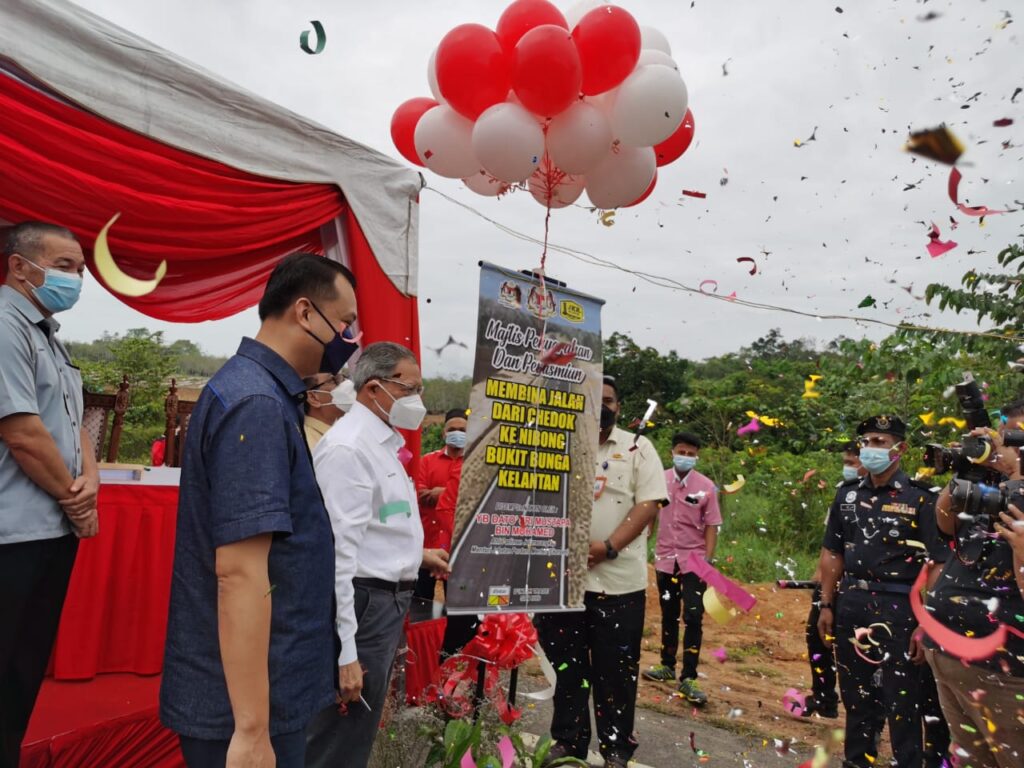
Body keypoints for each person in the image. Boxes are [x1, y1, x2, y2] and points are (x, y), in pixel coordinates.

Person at [160, 252, 358, 768]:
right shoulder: (258, 405)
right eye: (345, 323)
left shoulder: (261, 392)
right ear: (304, 312)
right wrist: (251, 729)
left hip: (261, 690)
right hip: (245, 709)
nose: (349, 340)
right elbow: (241, 574)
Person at [305, 342, 450, 768]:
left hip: (384, 603)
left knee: (355, 734)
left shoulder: (381, 443)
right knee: (338, 735)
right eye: (410, 389)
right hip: (363, 604)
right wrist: (346, 652)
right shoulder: (349, 449)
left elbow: (379, 522)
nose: (418, 401)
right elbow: (338, 556)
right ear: (373, 388)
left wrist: (418, 554)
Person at [0, 222, 99, 768]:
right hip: (12, 534)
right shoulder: (4, 324)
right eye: (64, 267)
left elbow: (72, 421)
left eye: (79, 269)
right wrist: (75, 498)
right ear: (20, 266)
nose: (76, 278)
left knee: (22, 669)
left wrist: (93, 476)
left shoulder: (47, 335)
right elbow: (21, 432)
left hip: (47, 531)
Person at [535, 375, 668, 768]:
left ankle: (615, 749)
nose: (602, 405)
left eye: (608, 399)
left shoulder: (639, 447)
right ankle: (569, 742)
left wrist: (608, 547)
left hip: (618, 585)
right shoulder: (558, 443)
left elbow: (649, 504)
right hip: (562, 582)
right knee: (566, 668)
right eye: (594, 399)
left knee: (616, 674)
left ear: (619, 407)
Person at [817, 415, 950, 768]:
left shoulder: (921, 499)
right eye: (867, 441)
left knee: (902, 702)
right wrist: (826, 603)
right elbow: (833, 552)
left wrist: (926, 622)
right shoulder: (846, 495)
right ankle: (857, 762)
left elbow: (938, 563)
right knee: (857, 697)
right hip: (852, 602)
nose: (871, 448)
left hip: (900, 607)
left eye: (880, 441)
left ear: (900, 448)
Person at [923, 399, 1024, 768]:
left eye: (1019, 441)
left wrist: (1017, 480)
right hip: (950, 653)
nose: (1009, 449)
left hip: (1005, 666)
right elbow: (945, 523)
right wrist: (969, 468)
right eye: (1008, 437)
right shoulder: (990, 485)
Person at [642, 430, 721, 706]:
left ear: (697, 456)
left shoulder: (706, 487)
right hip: (665, 557)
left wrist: (708, 562)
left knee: (693, 615)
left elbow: (712, 525)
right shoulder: (659, 480)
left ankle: (689, 676)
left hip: (694, 561)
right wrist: (644, 540)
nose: (685, 457)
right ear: (672, 452)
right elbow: (650, 512)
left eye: (690, 454)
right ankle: (666, 665)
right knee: (669, 614)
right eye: (681, 452)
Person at [802, 440, 865, 719]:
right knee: (816, 635)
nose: (847, 468)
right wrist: (821, 574)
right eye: (846, 462)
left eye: (852, 462)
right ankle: (823, 695)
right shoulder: (844, 493)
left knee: (858, 647)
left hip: (863, 586)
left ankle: (865, 715)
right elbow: (831, 542)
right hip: (833, 580)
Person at [414, 408, 468, 600]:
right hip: (426, 546)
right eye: (452, 429)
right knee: (421, 603)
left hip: (458, 548)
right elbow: (419, 495)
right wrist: (453, 494)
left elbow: (472, 497)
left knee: (456, 608)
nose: (457, 433)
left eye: (462, 430)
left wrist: (440, 492)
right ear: (444, 432)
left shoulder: (472, 463)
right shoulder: (426, 461)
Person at [301, 371, 351, 451]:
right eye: (334, 380)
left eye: (343, 378)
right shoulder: (310, 445)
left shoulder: (345, 428)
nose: (344, 384)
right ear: (313, 398)